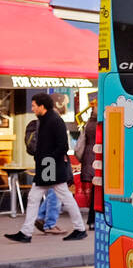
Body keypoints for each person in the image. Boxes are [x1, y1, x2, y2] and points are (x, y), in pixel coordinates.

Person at [5, 93, 87, 244]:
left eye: (34, 105)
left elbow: (63, 146)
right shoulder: (45, 120)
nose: (32, 108)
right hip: (47, 166)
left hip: (50, 167)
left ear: (42, 106)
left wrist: (47, 161)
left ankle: (79, 229)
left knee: (63, 197)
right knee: (36, 197)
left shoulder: (54, 121)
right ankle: (26, 232)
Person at [74, 109, 97, 230]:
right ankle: (93, 219)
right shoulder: (99, 124)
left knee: (95, 190)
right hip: (98, 159)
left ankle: (91, 220)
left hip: (89, 159)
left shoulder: (88, 124)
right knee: (99, 191)